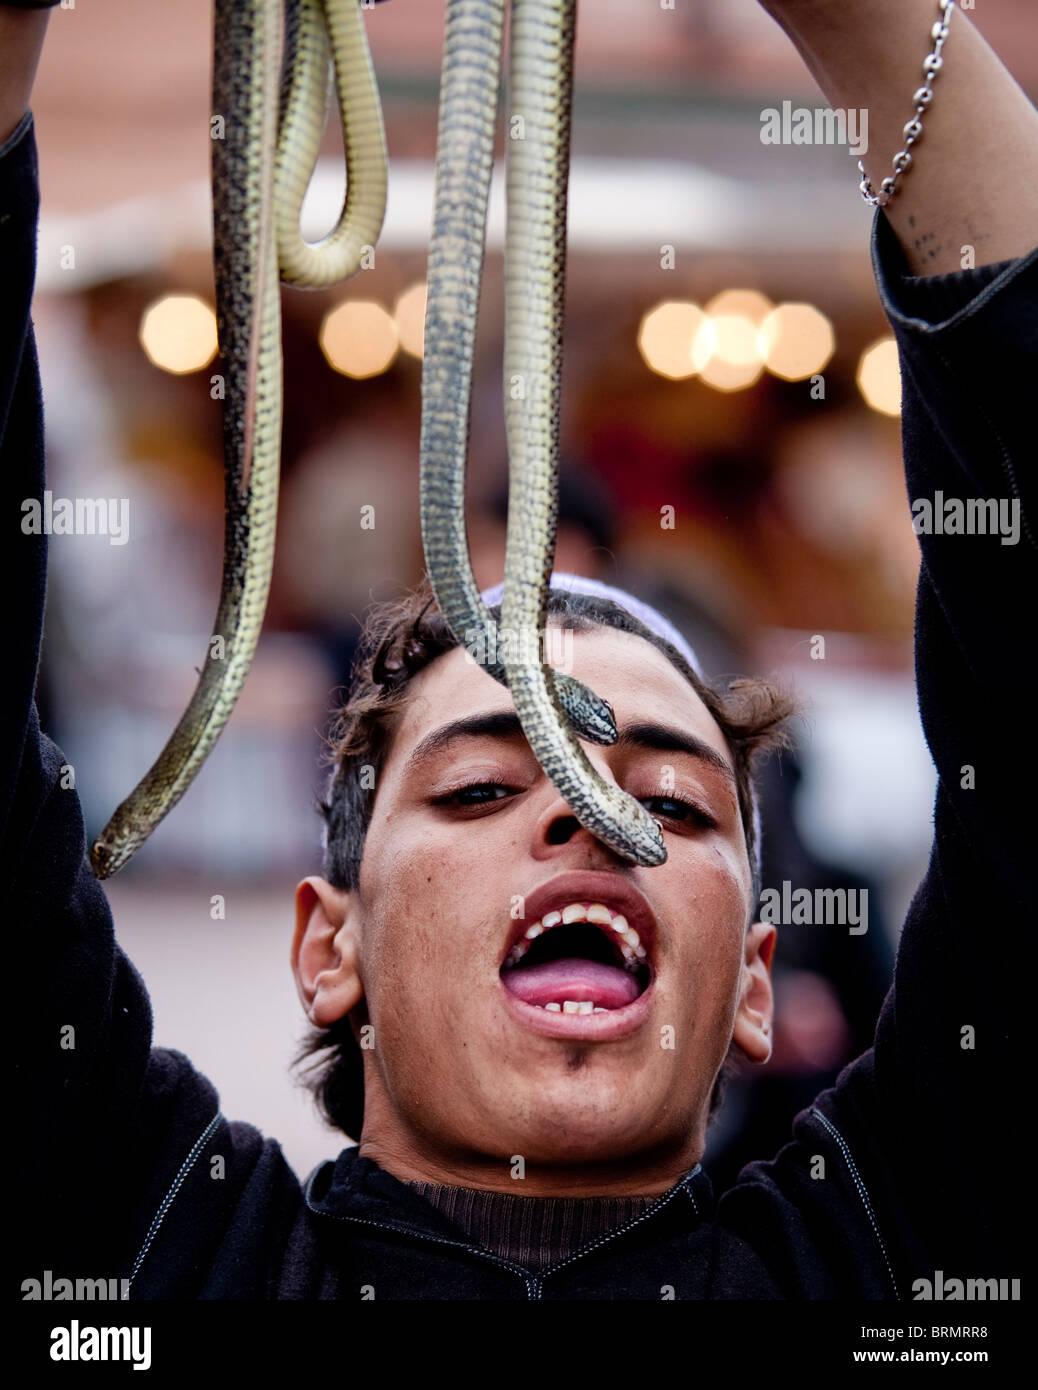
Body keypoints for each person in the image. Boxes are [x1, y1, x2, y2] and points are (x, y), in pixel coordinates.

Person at [6, 0, 1036, 1301]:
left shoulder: (887, 1285)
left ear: (754, 989)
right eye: (479, 786)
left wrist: (870, 23)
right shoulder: (150, 1267)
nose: (587, 818)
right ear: (331, 947)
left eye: (665, 801)